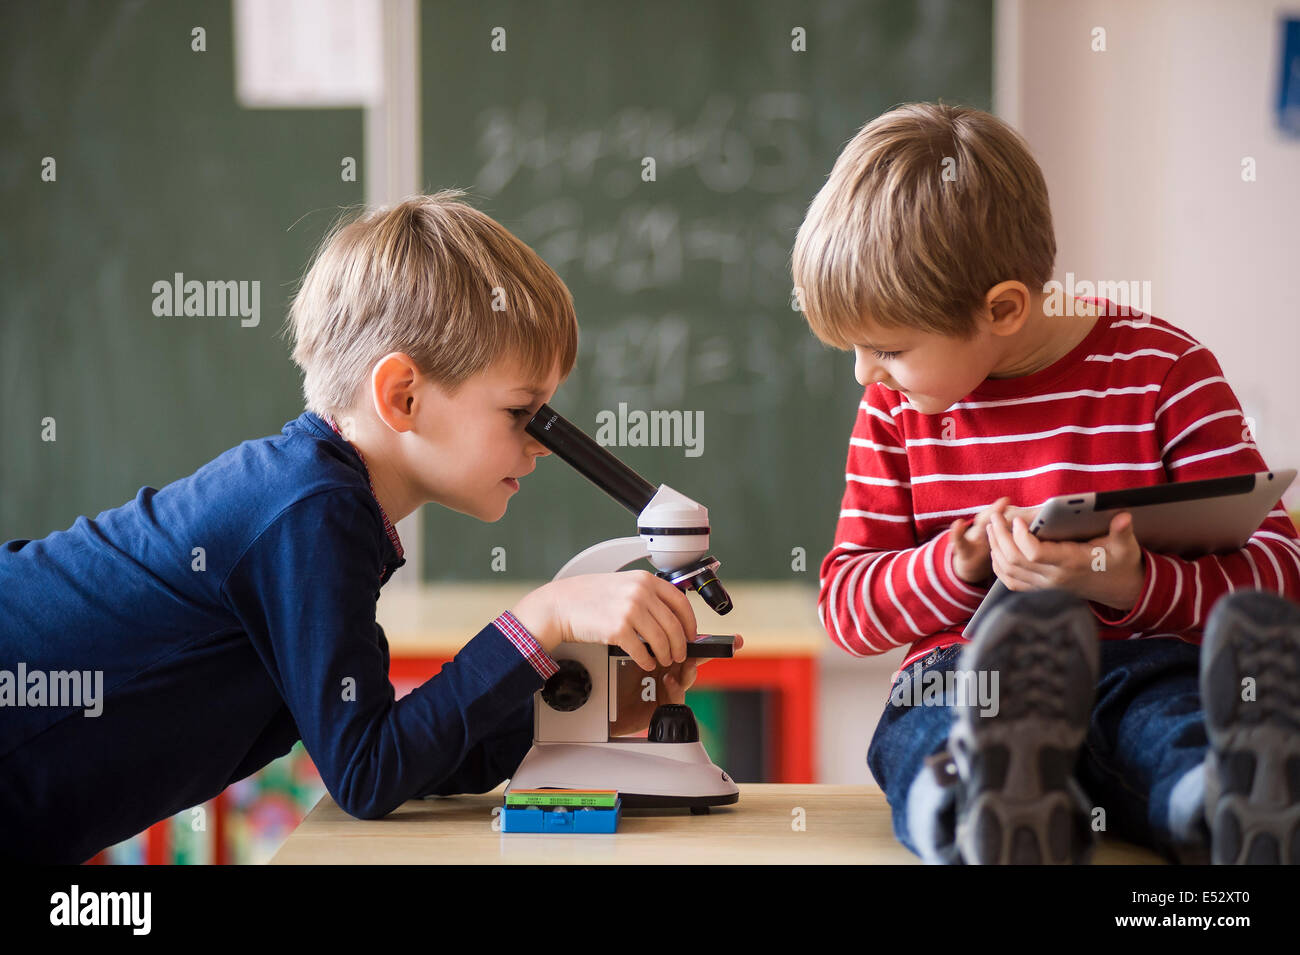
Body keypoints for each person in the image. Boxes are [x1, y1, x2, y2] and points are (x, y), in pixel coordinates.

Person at [792, 103, 1300, 864]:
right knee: (925, 721)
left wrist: (1131, 581)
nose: (866, 375)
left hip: (1142, 657)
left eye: (888, 348)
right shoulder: (895, 409)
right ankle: (983, 810)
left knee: (1166, 721)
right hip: (964, 664)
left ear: (1002, 308)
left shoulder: (1165, 372)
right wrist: (957, 562)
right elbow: (847, 609)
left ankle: (1230, 802)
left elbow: (1282, 576)